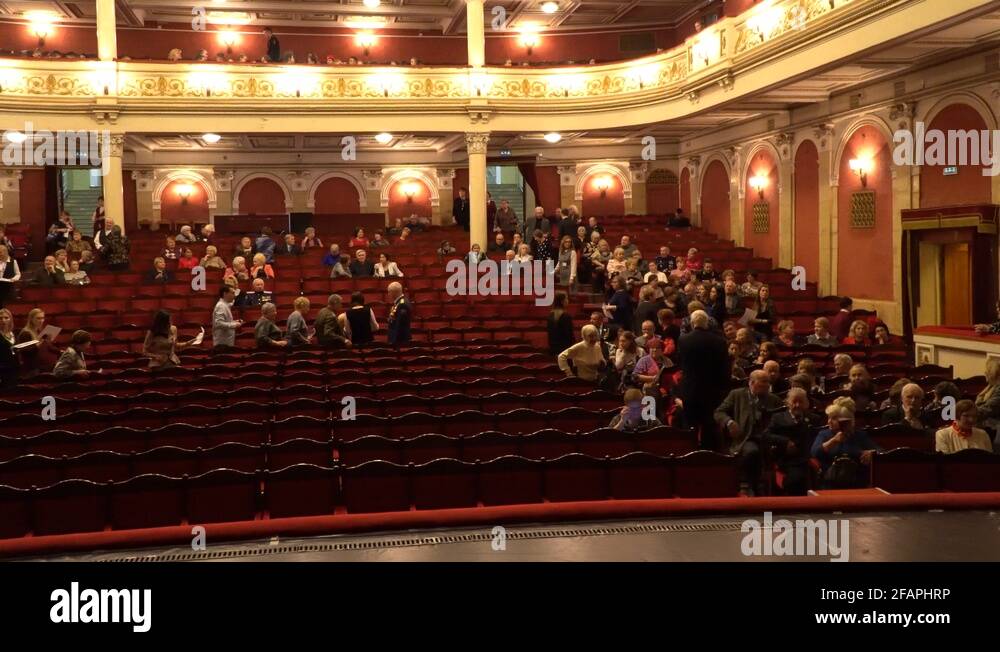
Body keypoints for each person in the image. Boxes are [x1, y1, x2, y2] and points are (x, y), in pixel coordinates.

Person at [715, 369, 783, 494]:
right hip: (745, 437)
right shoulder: (737, 395)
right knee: (752, 451)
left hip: (767, 438)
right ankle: (751, 485)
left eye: (768, 382)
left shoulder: (774, 399)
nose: (767, 385)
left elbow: (781, 419)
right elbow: (719, 412)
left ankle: (762, 491)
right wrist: (729, 422)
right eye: (763, 382)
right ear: (751, 383)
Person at [677, 310, 730, 450]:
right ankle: (709, 452)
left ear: (692, 323)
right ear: (707, 323)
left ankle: (690, 451)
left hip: (690, 388)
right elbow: (725, 368)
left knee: (690, 423)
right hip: (712, 389)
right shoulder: (719, 341)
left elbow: (681, 363)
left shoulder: (683, 340)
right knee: (709, 422)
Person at [764, 388, 825, 495]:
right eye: (794, 401)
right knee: (796, 479)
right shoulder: (778, 418)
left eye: (800, 402)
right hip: (785, 459)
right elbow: (766, 435)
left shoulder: (814, 419)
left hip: (806, 457)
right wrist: (785, 441)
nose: (797, 405)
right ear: (788, 402)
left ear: (806, 403)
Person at [811, 403, 880, 488]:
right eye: (829, 418)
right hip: (830, 481)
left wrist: (871, 453)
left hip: (856, 481)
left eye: (834, 418)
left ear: (847, 421)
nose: (829, 421)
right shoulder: (824, 434)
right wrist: (833, 441)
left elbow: (880, 451)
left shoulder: (859, 435)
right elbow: (814, 452)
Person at [974, 357, 1000, 438]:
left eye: (987, 370)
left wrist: (964, 412)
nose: (985, 372)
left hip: (994, 430)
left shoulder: (998, 390)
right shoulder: (991, 386)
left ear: (993, 373)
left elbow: (987, 410)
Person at [547, 291, 573, 357]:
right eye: (566, 298)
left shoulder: (550, 315)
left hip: (553, 349)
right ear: (562, 301)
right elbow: (569, 336)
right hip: (565, 351)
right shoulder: (566, 316)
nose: (568, 300)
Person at [386, 281, 411, 346]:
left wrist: (394, 341)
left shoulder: (402, 304)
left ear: (394, 292)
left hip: (399, 341)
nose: (388, 294)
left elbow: (400, 325)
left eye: (389, 292)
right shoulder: (399, 303)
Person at [0, 308, 18, 391]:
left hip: (14, 368)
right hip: (2, 370)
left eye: (6, 318)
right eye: (0, 318)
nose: (3, 320)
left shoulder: (13, 333)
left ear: (10, 319)